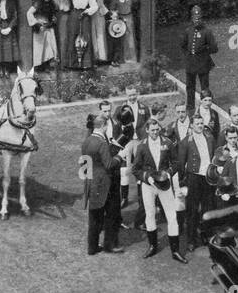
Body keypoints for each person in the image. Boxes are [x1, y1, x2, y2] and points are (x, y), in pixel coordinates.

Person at [131, 116, 187, 262]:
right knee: (149, 215)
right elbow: (135, 169)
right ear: (147, 130)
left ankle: (175, 251)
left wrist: (168, 173)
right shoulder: (142, 146)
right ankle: (152, 246)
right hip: (149, 186)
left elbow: (176, 163)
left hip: (164, 185)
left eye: (157, 129)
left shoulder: (167, 143)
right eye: (152, 130)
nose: (155, 132)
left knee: (172, 216)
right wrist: (147, 177)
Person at [81, 113, 126, 255]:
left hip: (92, 183)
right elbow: (109, 164)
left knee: (94, 217)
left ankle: (92, 247)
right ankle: (110, 245)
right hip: (106, 184)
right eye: (107, 125)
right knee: (111, 215)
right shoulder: (101, 143)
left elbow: (84, 165)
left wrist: (89, 182)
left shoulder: (86, 141)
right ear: (104, 126)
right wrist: (120, 156)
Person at [176, 112, 215, 256]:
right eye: (197, 124)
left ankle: (206, 235)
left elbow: (213, 156)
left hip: (207, 178)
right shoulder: (186, 141)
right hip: (193, 178)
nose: (200, 126)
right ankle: (191, 240)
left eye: (201, 123)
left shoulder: (209, 138)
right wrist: (182, 182)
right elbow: (181, 164)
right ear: (191, 125)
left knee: (207, 207)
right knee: (192, 210)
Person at [181, 4, 218, 110]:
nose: (196, 20)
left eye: (199, 18)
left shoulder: (207, 32)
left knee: (204, 87)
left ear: (201, 19)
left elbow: (214, 48)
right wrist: (187, 57)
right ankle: (190, 105)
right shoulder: (188, 31)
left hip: (203, 63)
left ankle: (205, 106)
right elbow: (183, 46)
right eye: (194, 18)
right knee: (190, 86)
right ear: (192, 18)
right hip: (191, 63)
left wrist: (204, 52)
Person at [27, 0, 58, 69]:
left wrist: (52, 21)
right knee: (39, 47)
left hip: (48, 26)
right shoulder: (38, 3)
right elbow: (29, 13)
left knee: (49, 47)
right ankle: (39, 66)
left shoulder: (52, 3)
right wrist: (36, 24)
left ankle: (47, 65)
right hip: (40, 27)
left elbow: (54, 15)